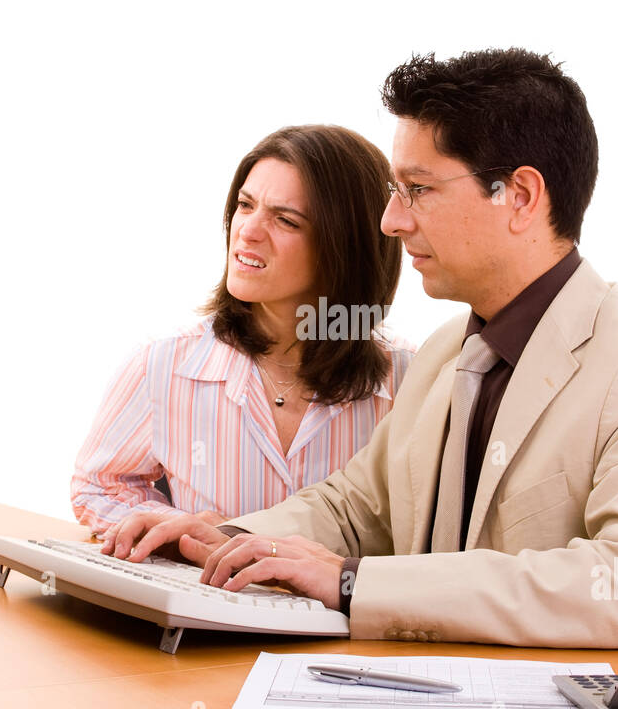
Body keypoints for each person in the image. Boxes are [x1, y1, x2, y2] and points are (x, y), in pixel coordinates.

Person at [106, 50, 618, 648]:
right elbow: (356, 509)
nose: (390, 221)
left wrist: (353, 583)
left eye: (417, 190)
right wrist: (224, 536)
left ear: (519, 196)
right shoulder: (445, 353)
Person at [72, 125, 413, 538]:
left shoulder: (408, 380)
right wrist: (177, 532)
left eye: (286, 220)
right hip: (204, 601)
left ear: (346, 247)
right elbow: (98, 486)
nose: (248, 231)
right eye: (245, 205)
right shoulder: (163, 362)